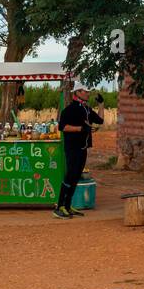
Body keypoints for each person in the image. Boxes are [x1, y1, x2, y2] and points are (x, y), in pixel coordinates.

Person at [54, 83, 104, 219]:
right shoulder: (70, 110)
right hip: (72, 148)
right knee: (70, 176)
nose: (88, 93)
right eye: (85, 91)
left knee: (76, 177)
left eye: (88, 91)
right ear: (77, 93)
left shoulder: (86, 109)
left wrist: (101, 104)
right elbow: (62, 127)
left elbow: (100, 120)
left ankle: (68, 206)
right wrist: (81, 129)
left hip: (83, 147)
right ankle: (59, 207)